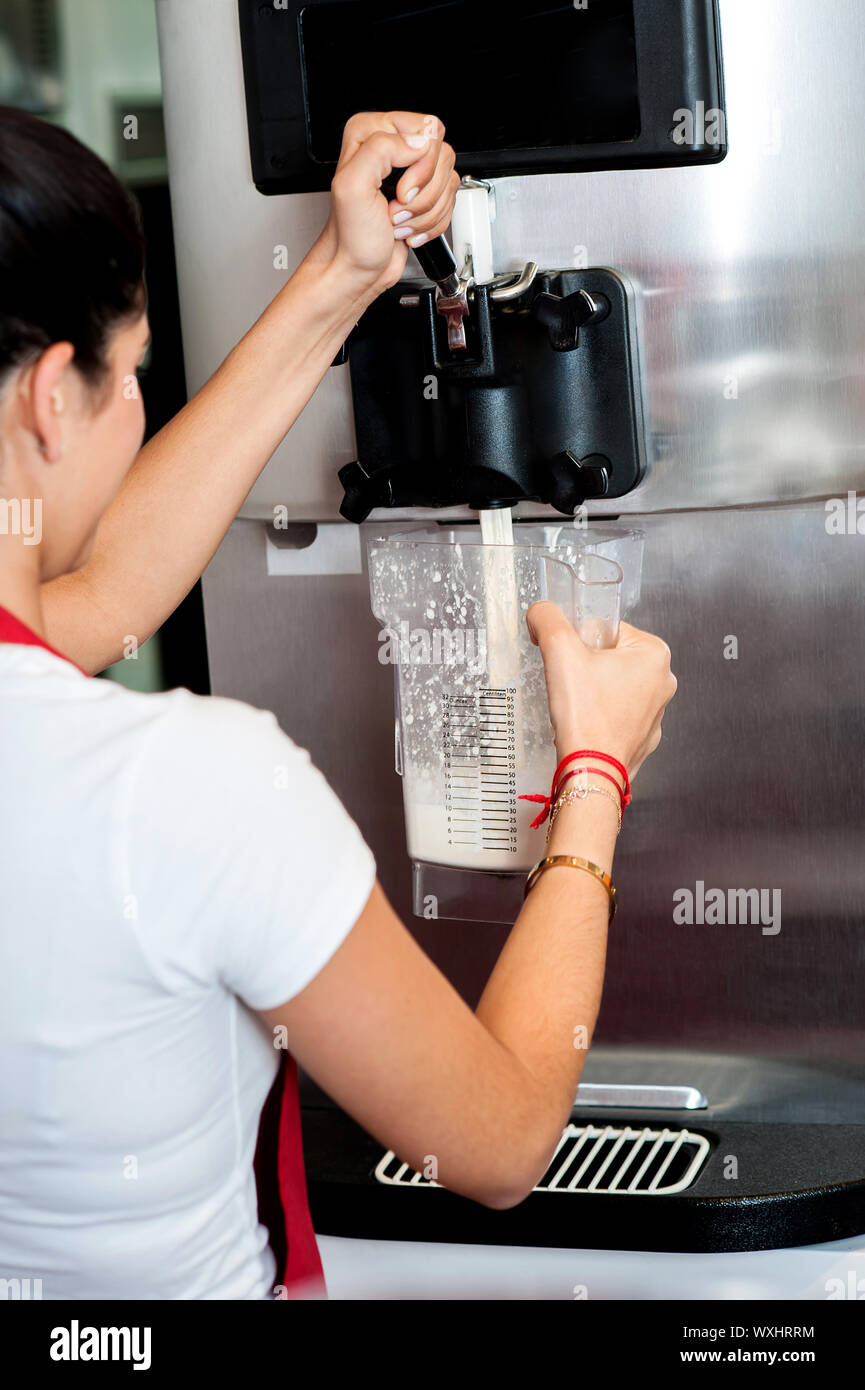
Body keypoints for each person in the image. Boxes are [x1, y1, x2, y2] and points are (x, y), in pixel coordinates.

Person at [0, 105, 676, 1300]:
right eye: (133, 375)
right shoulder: (186, 784)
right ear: (53, 397)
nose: (133, 408)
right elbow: (504, 1141)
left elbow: (97, 599)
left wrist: (343, 276)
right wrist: (594, 775)